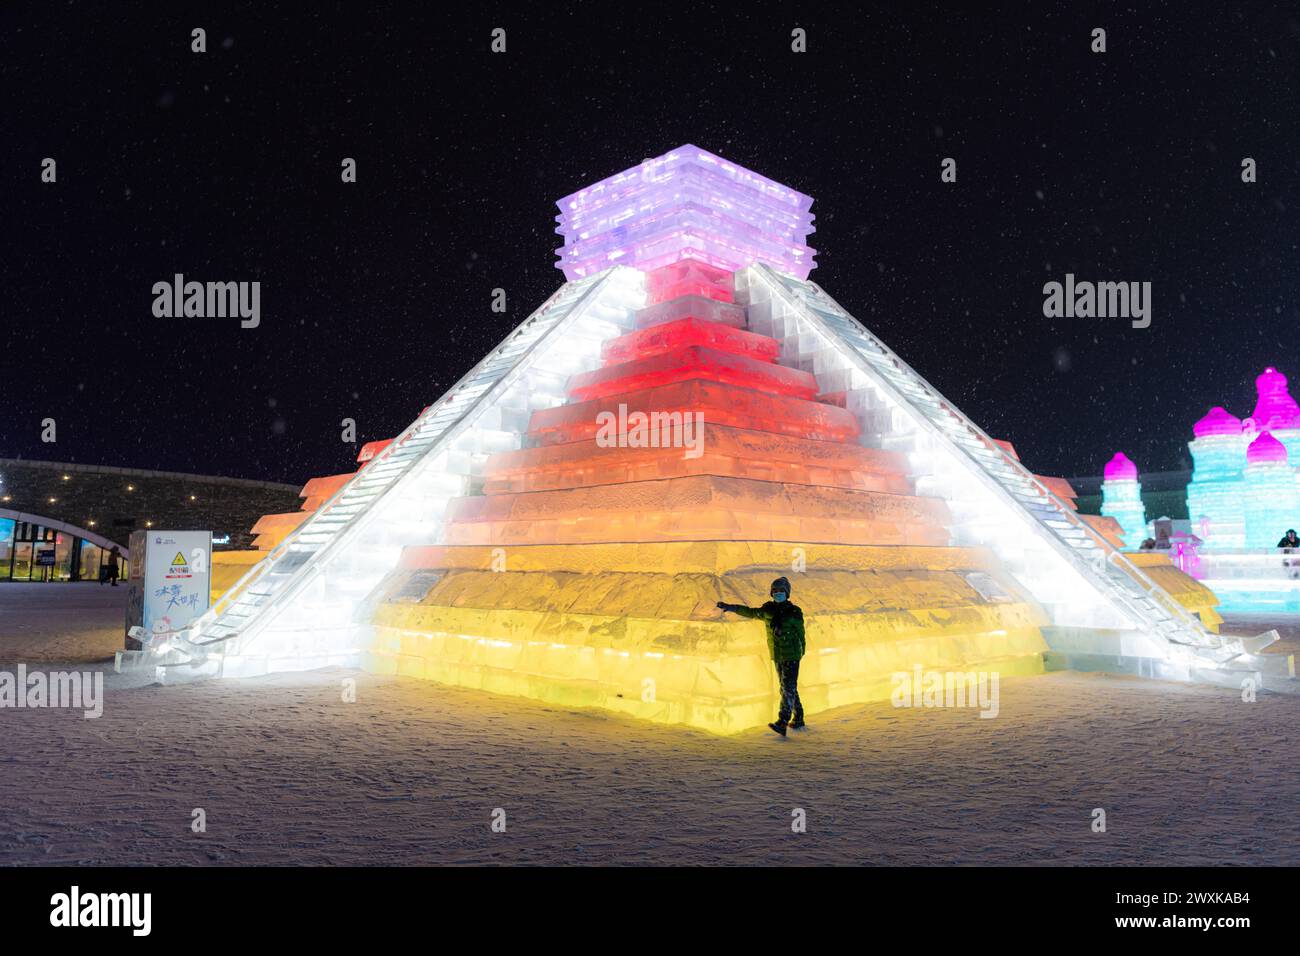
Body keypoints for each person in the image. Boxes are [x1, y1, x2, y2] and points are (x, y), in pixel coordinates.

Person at [717, 576, 806, 737]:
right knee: (788, 687)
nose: (778, 593)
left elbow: (801, 633)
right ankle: (798, 718)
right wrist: (731, 607)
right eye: (776, 591)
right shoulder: (767, 610)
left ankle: (782, 722)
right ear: (772, 593)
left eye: (781, 591)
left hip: (792, 655)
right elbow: (750, 612)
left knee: (787, 688)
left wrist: (802, 650)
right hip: (778, 655)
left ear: (787, 593)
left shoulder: (794, 611)